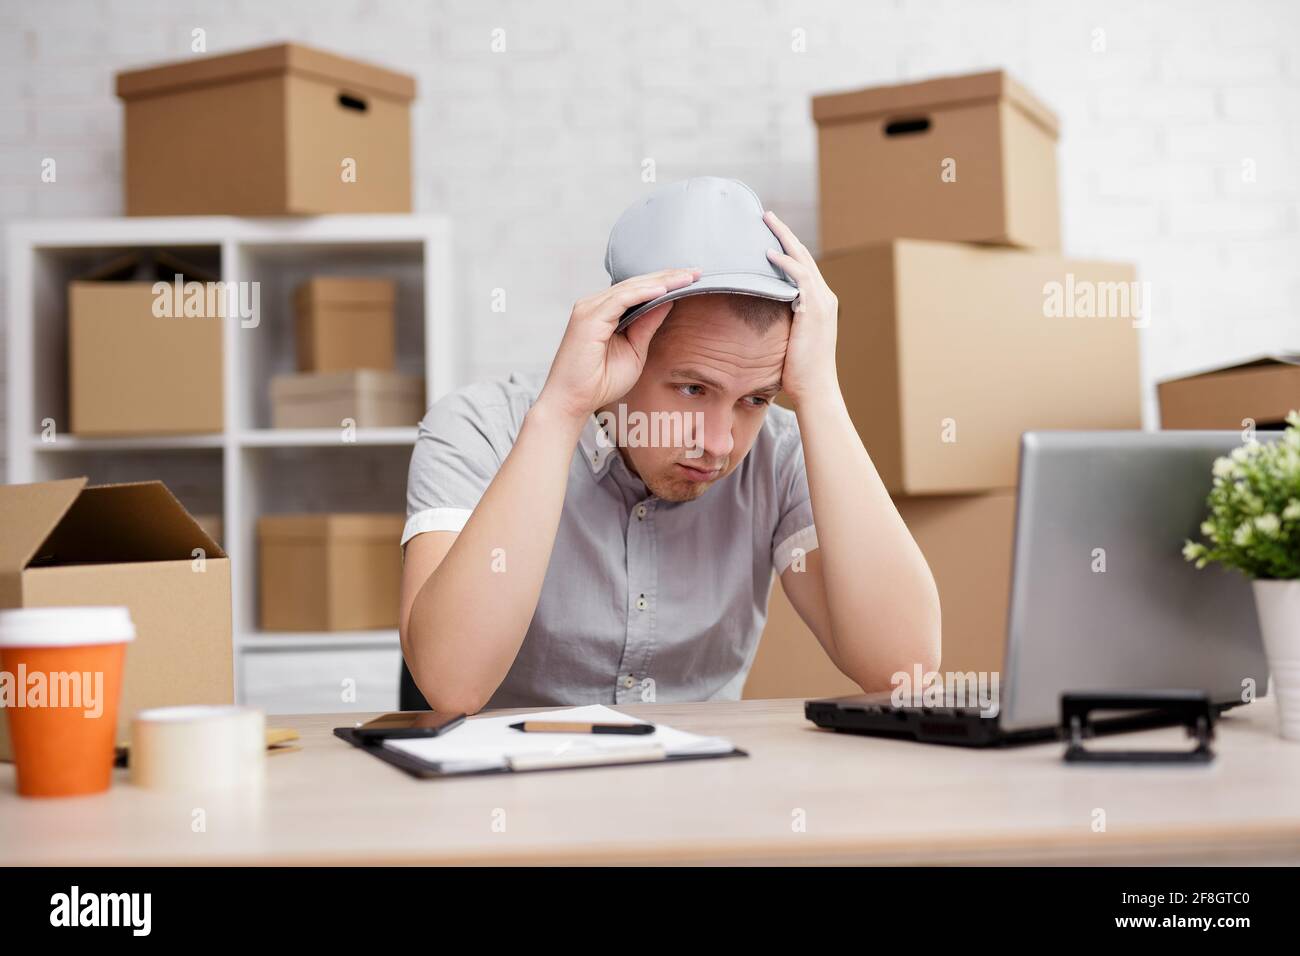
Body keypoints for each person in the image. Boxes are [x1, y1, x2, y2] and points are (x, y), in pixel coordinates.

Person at [399, 176, 940, 713]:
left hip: (702, 786)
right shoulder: (476, 428)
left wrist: (820, 392)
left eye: (755, 399)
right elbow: (451, 685)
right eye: (692, 389)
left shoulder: (780, 453)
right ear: (618, 344)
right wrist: (563, 411)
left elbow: (900, 671)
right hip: (514, 790)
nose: (719, 444)